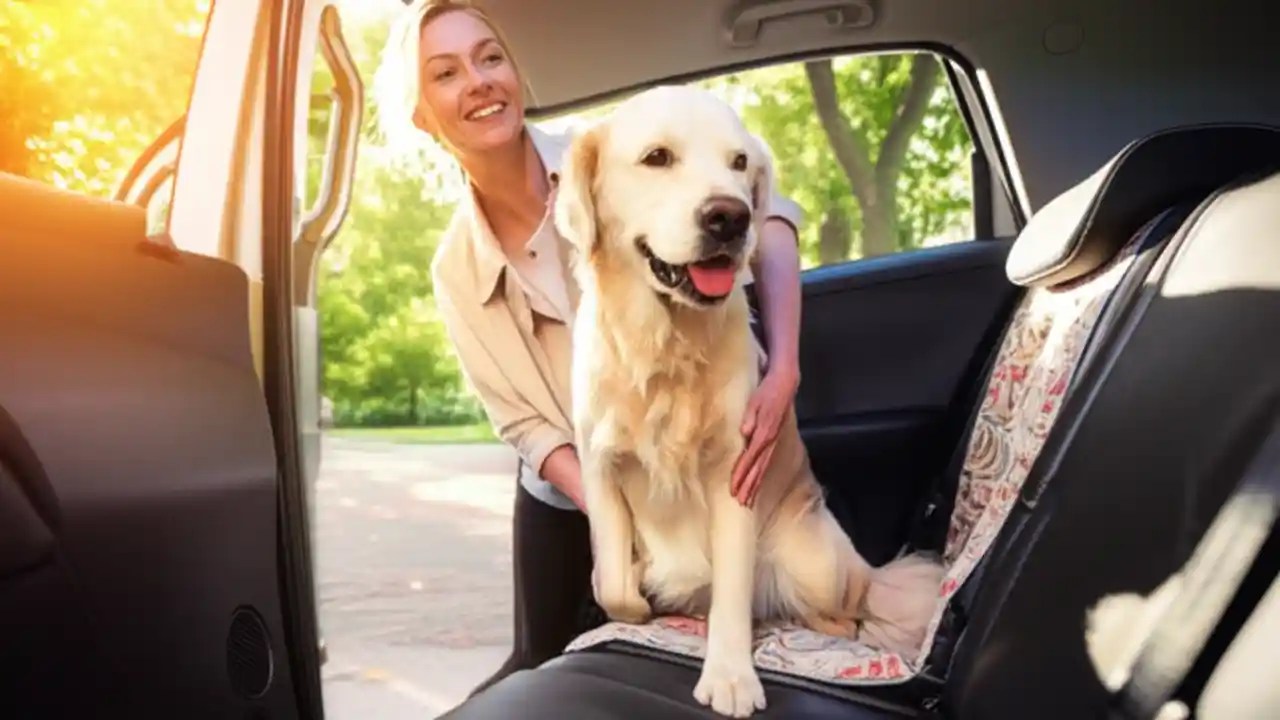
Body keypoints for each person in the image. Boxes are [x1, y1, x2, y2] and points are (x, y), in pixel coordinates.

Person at [375, 0, 807, 696]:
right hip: (568, 488)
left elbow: (773, 216)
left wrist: (782, 367)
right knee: (539, 669)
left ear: (516, 76)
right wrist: (612, 509)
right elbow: (521, 423)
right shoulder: (454, 269)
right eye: (446, 73)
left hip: (691, 456)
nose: (479, 80)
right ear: (423, 113)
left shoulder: (615, 148)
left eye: (491, 58)